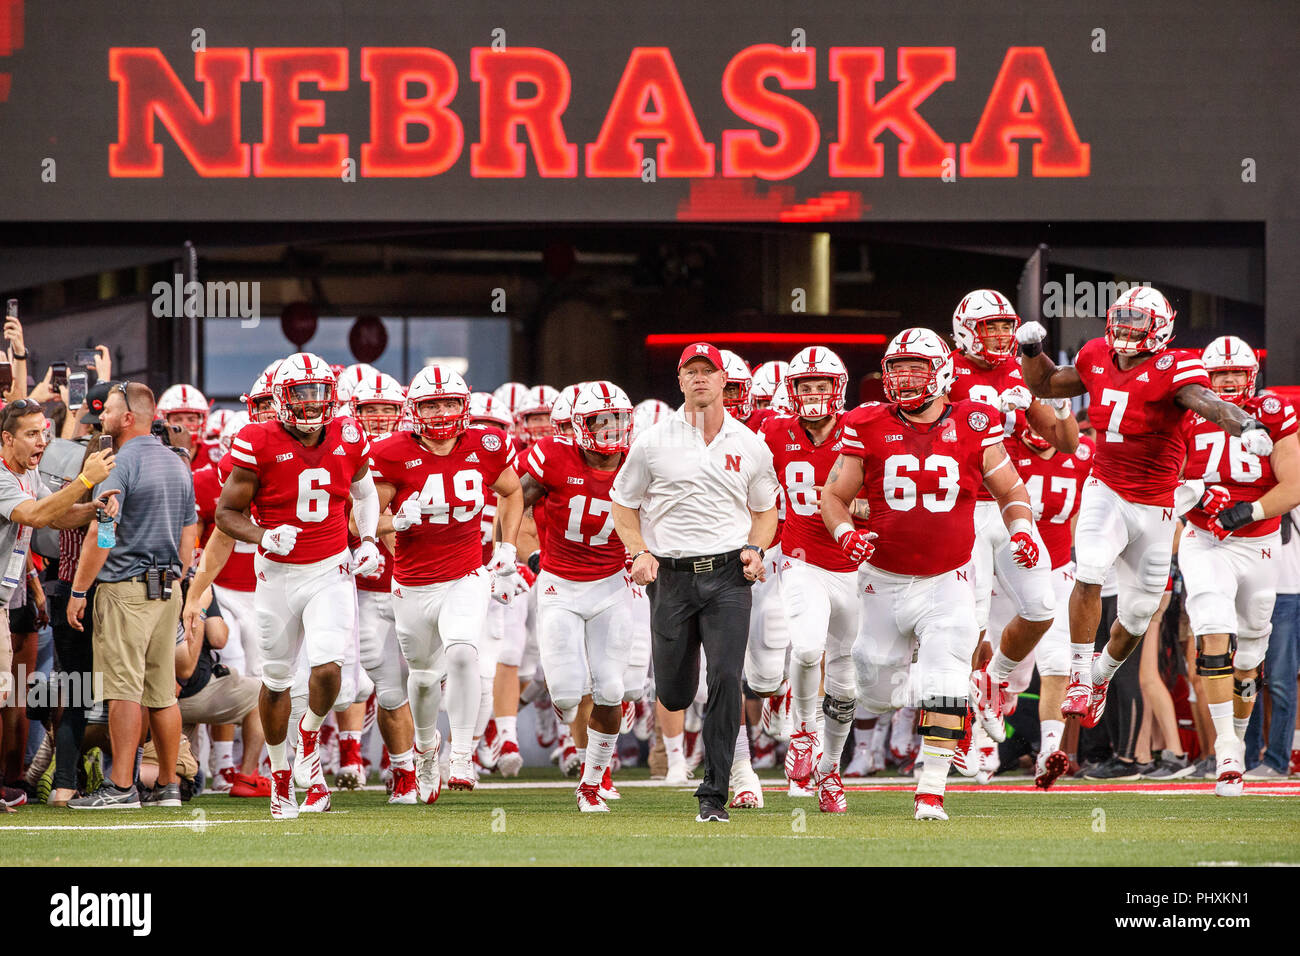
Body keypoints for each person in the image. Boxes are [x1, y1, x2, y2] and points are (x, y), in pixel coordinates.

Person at [1016, 287, 1274, 757]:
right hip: (1106, 486)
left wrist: (1246, 426)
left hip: (1156, 505)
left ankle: (1098, 678)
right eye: (1123, 319)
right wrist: (1030, 352)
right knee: (1091, 567)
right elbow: (1046, 385)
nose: (1126, 330)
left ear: (1160, 328)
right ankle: (1077, 675)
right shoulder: (1097, 354)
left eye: (1138, 321)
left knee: (1134, 617)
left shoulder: (1175, 367)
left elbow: (1207, 403)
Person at [820, 328, 1038, 821]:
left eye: (915, 369)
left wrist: (1022, 529)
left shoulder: (976, 422)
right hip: (883, 580)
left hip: (950, 579)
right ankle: (829, 765)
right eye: (897, 370)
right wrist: (844, 535)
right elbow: (832, 496)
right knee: (872, 691)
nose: (904, 379)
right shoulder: (866, 423)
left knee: (946, 678)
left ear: (939, 372)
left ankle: (931, 791)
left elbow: (1010, 488)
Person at [611, 342, 780, 823]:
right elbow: (623, 503)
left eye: (710, 371)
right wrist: (639, 551)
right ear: (680, 381)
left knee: (727, 678)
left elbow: (766, 509)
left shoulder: (750, 443)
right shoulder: (652, 441)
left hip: (728, 575)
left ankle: (714, 793)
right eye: (692, 371)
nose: (701, 378)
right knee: (674, 692)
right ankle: (677, 717)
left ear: (725, 380)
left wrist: (756, 547)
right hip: (671, 577)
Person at [214, 353, 380, 820]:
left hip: (330, 566)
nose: (312, 403)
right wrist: (263, 534)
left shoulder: (349, 432)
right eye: (301, 394)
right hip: (276, 573)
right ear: (282, 399)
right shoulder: (256, 439)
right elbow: (226, 513)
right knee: (277, 679)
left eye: (319, 392)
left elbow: (365, 494)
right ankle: (281, 775)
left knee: (330, 669)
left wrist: (366, 539)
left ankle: (309, 733)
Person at [370, 364, 523, 800]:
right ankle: (424, 749)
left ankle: (461, 754)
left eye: (449, 402)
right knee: (420, 677)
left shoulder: (487, 444)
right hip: (413, 582)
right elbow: (359, 519)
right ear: (413, 410)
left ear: (465, 404)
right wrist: (395, 520)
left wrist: (505, 547)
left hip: (466, 574)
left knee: (461, 652)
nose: (441, 411)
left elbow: (511, 492)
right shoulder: (391, 452)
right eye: (431, 404)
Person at [1175, 335, 1300, 794]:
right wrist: (1195, 496)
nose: (1228, 381)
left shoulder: (1273, 413)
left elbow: (1295, 484)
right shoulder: (1185, 416)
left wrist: (1249, 510)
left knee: (1250, 653)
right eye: (1219, 373)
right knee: (1211, 625)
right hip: (1205, 539)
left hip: (1259, 544)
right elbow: (1165, 480)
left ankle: (1240, 739)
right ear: (1205, 380)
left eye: (1235, 373)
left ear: (1251, 377)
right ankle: (1226, 747)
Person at [67, 383, 196, 810]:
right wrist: (175, 579)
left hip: (126, 590)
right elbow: (188, 539)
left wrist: (80, 589)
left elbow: (103, 532)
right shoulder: (178, 463)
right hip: (168, 592)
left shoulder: (118, 465)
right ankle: (168, 787)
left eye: (109, 412)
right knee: (162, 694)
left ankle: (121, 788)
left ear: (127, 418)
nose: (101, 417)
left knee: (123, 691)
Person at [522, 381, 637, 812]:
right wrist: (504, 553)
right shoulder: (554, 456)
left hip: (611, 584)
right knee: (568, 696)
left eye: (617, 421)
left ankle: (591, 783)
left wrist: (645, 553)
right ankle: (548, 704)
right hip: (560, 585)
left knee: (611, 688)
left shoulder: (637, 463)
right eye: (599, 422)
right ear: (580, 425)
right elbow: (515, 495)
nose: (610, 430)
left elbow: (666, 512)